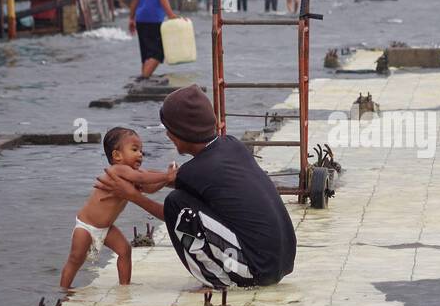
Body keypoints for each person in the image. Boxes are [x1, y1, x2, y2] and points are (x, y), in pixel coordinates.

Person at [95, 85, 296, 289]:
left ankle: (217, 279)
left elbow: (171, 214)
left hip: (257, 270)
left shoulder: (196, 170)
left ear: (182, 133)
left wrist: (132, 195)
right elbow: (174, 179)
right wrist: (140, 179)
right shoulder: (230, 144)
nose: (167, 136)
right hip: (281, 261)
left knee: (177, 204)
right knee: (187, 200)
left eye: (169, 130)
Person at [60, 127, 175, 288]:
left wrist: (164, 181)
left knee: (125, 250)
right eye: (134, 149)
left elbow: (149, 187)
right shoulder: (118, 170)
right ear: (117, 155)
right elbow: (143, 177)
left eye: (141, 150)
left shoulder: (130, 175)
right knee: (75, 259)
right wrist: (166, 176)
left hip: (106, 228)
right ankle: (64, 289)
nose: (140, 154)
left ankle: (125, 285)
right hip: (86, 226)